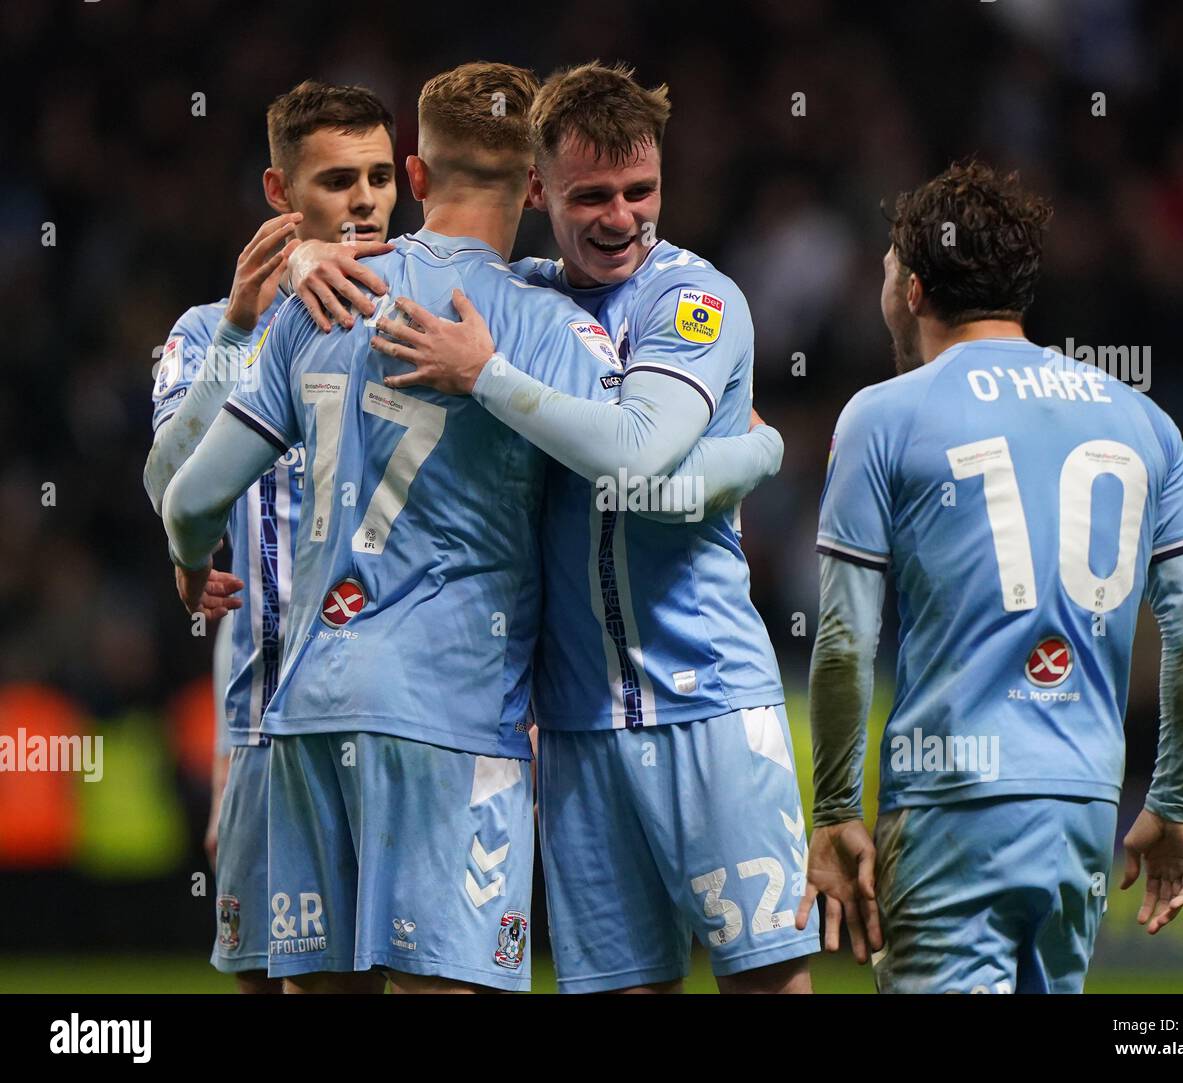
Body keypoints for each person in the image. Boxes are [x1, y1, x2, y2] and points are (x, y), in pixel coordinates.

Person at [162, 61, 779, 994]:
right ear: (536, 182)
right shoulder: (546, 326)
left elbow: (188, 496)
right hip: (447, 715)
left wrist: (184, 553)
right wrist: (760, 454)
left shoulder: (321, 298)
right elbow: (641, 464)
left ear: (413, 176)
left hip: (304, 711)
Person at [337, 62, 819, 993]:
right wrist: (319, 254)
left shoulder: (695, 300)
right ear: (536, 191)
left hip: (706, 697)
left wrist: (487, 376)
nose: (622, 217)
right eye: (591, 195)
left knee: (766, 979)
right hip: (574, 720)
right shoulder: (516, 300)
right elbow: (415, 256)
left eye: (642, 191)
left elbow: (636, 464)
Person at [798, 161, 1183, 993]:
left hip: (951, 803)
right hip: (1082, 806)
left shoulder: (882, 415)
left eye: (888, 271)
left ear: (913, 291)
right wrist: (1173, 802)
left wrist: (837, 809)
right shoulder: (1145, 420)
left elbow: (846, 640)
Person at [142, 80, 398, 993]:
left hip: (400, 714)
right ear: (278, 192)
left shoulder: (424, 320)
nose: (364, 198)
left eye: (378, 175)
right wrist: (245, 331)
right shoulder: (210, 333)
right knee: (270, 983)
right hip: (264, 721)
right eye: (336, 179)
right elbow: (171, 486)